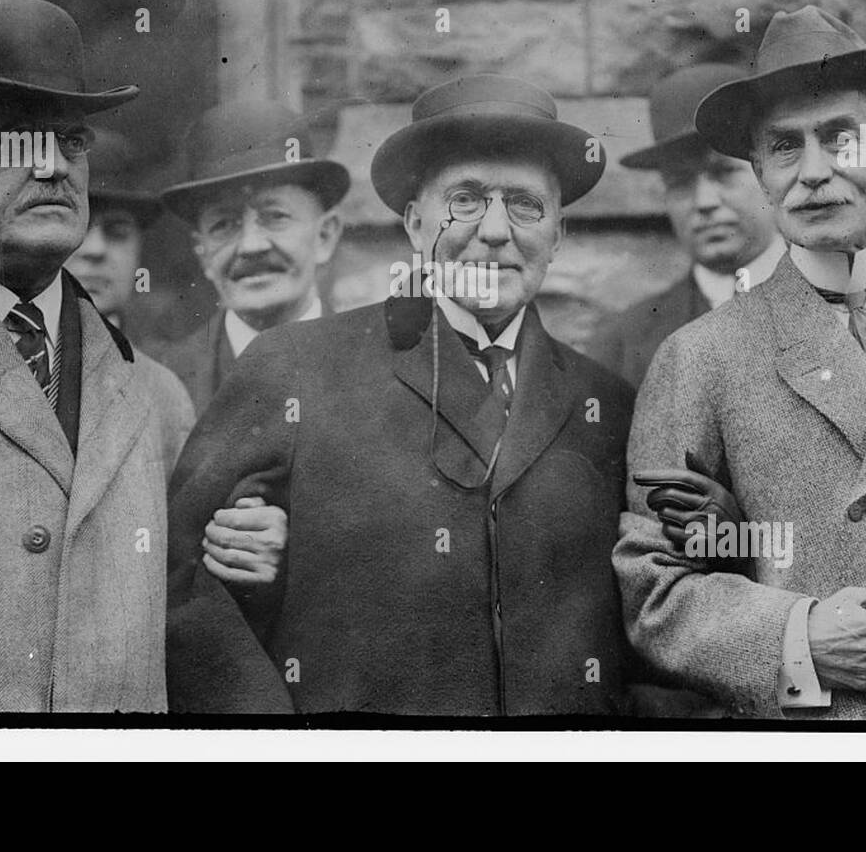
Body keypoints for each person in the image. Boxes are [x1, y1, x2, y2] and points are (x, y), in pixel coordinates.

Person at [0, 0, 279, 712]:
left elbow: (193, 628)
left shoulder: (155, 394)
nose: (53, 167)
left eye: (70, 141)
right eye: (13, 138)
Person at [166, 74, 635, 715]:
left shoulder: (604, 403)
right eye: (464, 200)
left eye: (525, 204)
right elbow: (183, 587)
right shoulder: (295, 368)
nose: (495, 230)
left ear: (557, 233)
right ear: (415, 225)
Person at [614, 7, 866, 721]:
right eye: (784, 147)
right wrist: (795, 637)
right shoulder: (699, 359)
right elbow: (654, 588)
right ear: (762, 174)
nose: (814, 172)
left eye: (842, 137)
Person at [591, 64, 783, 388]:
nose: (704, 201)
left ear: (771, 175)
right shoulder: (624, 346)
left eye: (723, 172)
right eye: (681, 182)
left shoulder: (844, 305)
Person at [156, 101, 349, 415]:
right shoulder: (162, 384)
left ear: (325, 236)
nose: (251, 246)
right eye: (224, 225)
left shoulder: (385, 369)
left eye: (275, 216)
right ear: (202, 251)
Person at [64, 126, 164, 347]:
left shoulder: (168, 373)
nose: (95, 249)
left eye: (118, 232)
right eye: (74, 226)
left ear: (139, 250)